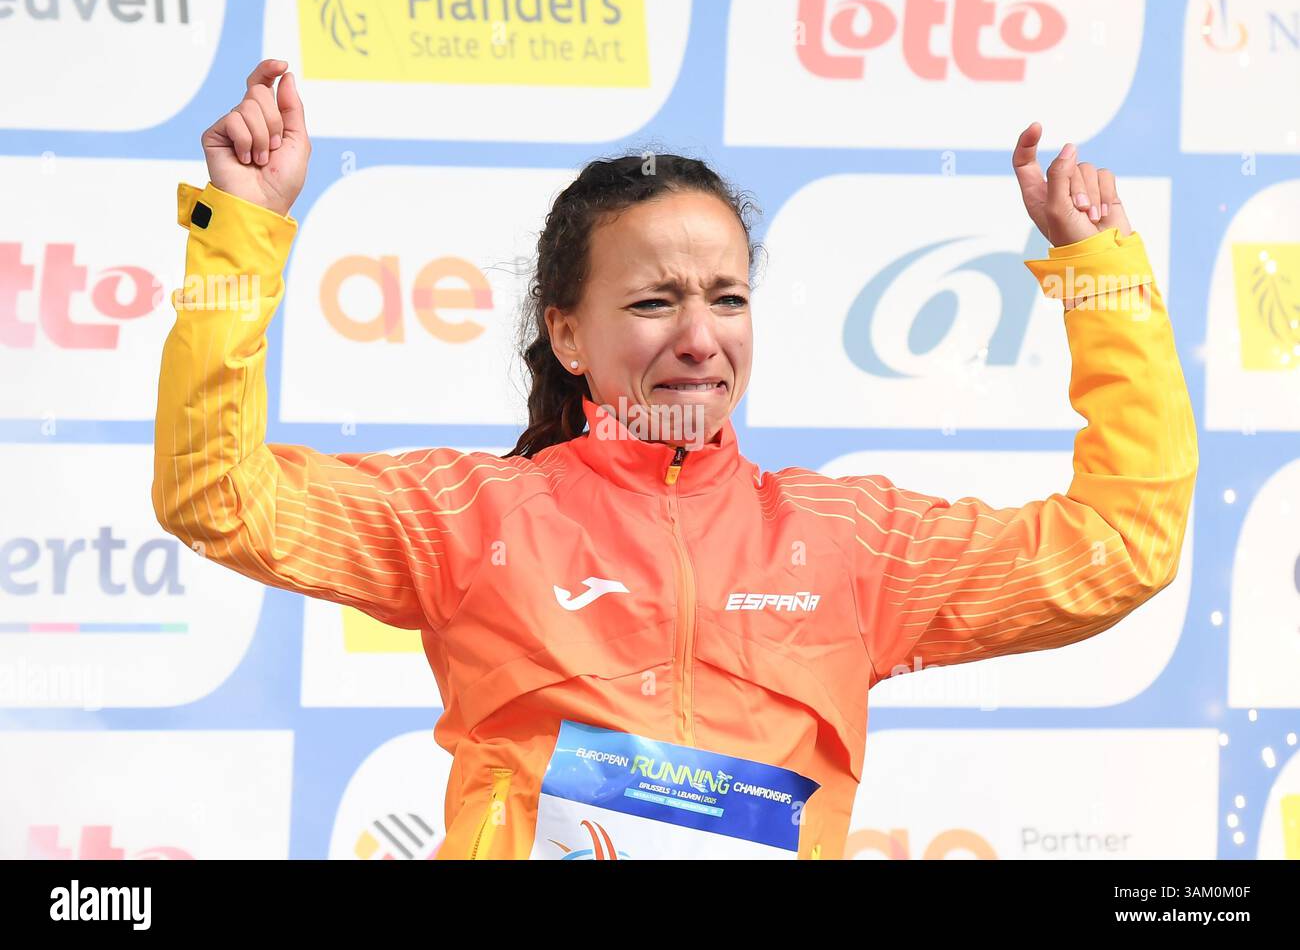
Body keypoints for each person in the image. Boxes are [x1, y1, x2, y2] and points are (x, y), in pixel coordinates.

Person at [152, 59, 1198, 860]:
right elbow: (219, 495)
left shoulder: (848, 544)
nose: (700, 337)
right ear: (568, 335)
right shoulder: (469, 516)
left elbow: (1119, 547)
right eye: (654, 301)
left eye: (727, 298)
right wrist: (242, 228)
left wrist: (1098, 277)